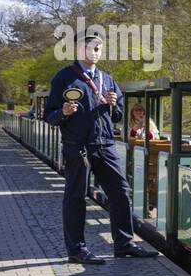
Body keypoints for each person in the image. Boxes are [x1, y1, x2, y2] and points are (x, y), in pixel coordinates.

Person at [43, 34, 159, 264]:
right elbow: (49, 116)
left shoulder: (107, 79)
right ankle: (76, 250)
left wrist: (114, 103)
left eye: (99, 48)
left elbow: (116, 116)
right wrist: (63, 113)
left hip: (105, 145)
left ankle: (124, 244)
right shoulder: (64, 78)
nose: (95, 52)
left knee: (121, 192)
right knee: (76, 197)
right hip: (78, 147)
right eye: (90, 48)